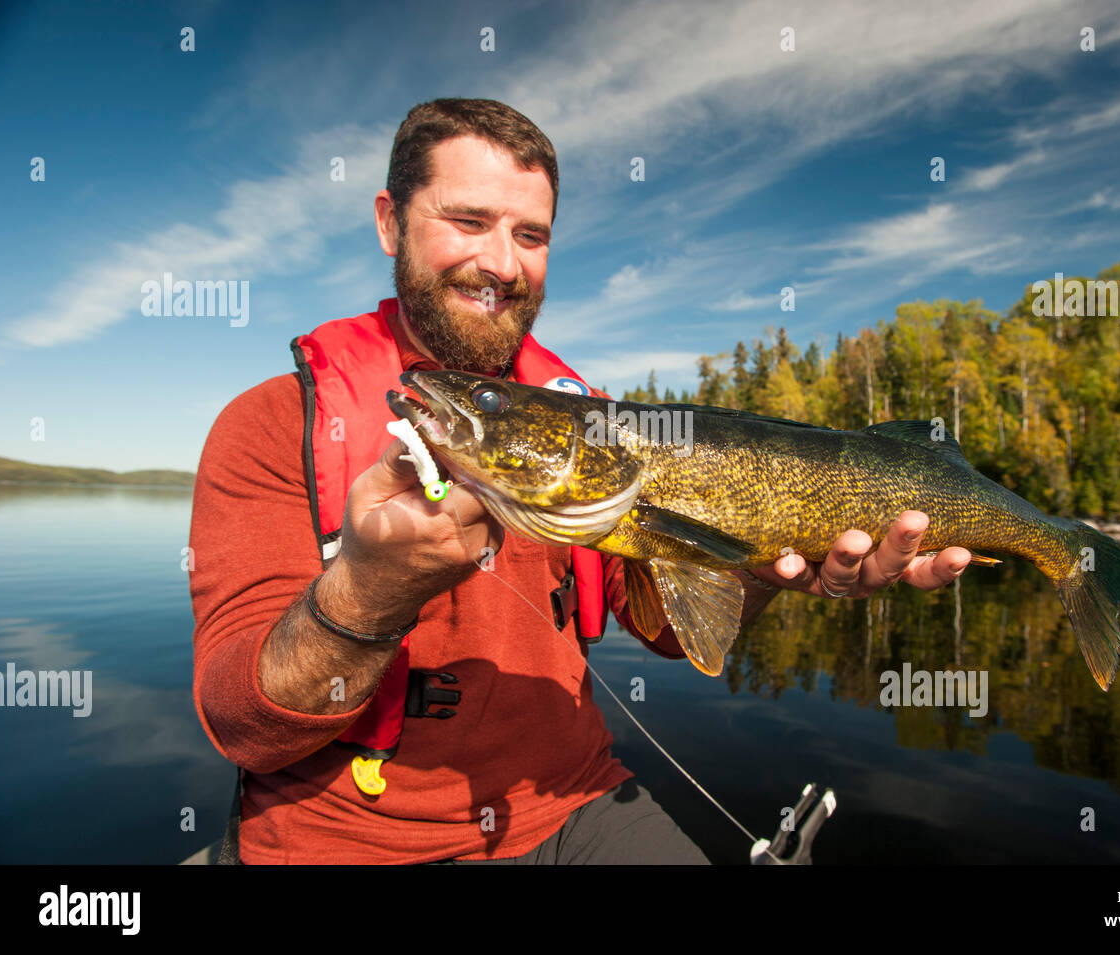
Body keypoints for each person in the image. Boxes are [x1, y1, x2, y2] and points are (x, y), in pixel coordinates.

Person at [188, 98, 972, 865]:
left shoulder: (591, 424)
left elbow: (667, 632)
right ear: (390, 221)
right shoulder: (270, 424)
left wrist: (760, 570)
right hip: (347, 841)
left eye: (531, 235)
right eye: (468, 221)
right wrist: (366, 592)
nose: (501, 263)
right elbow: (244, 727)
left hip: (578, 802)